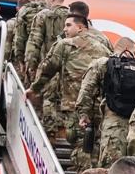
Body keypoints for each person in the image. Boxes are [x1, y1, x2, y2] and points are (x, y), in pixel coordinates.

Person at [26, 14, 111, 158]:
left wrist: (34, 89)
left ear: (80, 27)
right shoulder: (104, 49)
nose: (64, 29)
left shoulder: (65, 45)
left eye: (68, 25)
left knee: (79, 145)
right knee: (95, 145)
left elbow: (48, 69)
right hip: (97, 106)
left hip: (75, 106)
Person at [76, 37, 135, 168]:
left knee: (110, 167)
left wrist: (83, 114)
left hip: (112, 125)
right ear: (128, 50)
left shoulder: (103, 63)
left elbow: (86, 90)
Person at [24, 0, 68, 83]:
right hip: (67, 74)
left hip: (47, 72)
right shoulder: (73, 17)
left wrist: (30, 69)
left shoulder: (43, 15)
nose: (45, 1)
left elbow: (34, 44)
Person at [12, 0, 49, 80]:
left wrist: (20, 60)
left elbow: (19, 37)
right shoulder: (52, 9)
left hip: (31, 57)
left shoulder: (25, 9)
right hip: (50, 58)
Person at [3, 0, 31, 68]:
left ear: (17, 8)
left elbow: (7, 45)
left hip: (17, 61)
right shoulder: (35, 21)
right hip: (30, 61)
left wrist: (4, 65)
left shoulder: (11, 23)